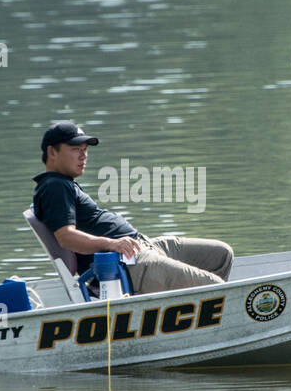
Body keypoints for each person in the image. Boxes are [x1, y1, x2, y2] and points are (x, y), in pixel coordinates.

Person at [32, 122, 232, 294]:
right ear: (52, 152)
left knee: (222, 255)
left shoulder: (62, 183)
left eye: (85, 149)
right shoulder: (54, 187)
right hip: (128, 263)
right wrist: (112, 243)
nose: (83, 155)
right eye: (75, 149)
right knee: (217, 288)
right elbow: (66, 237)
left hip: (142, 247)